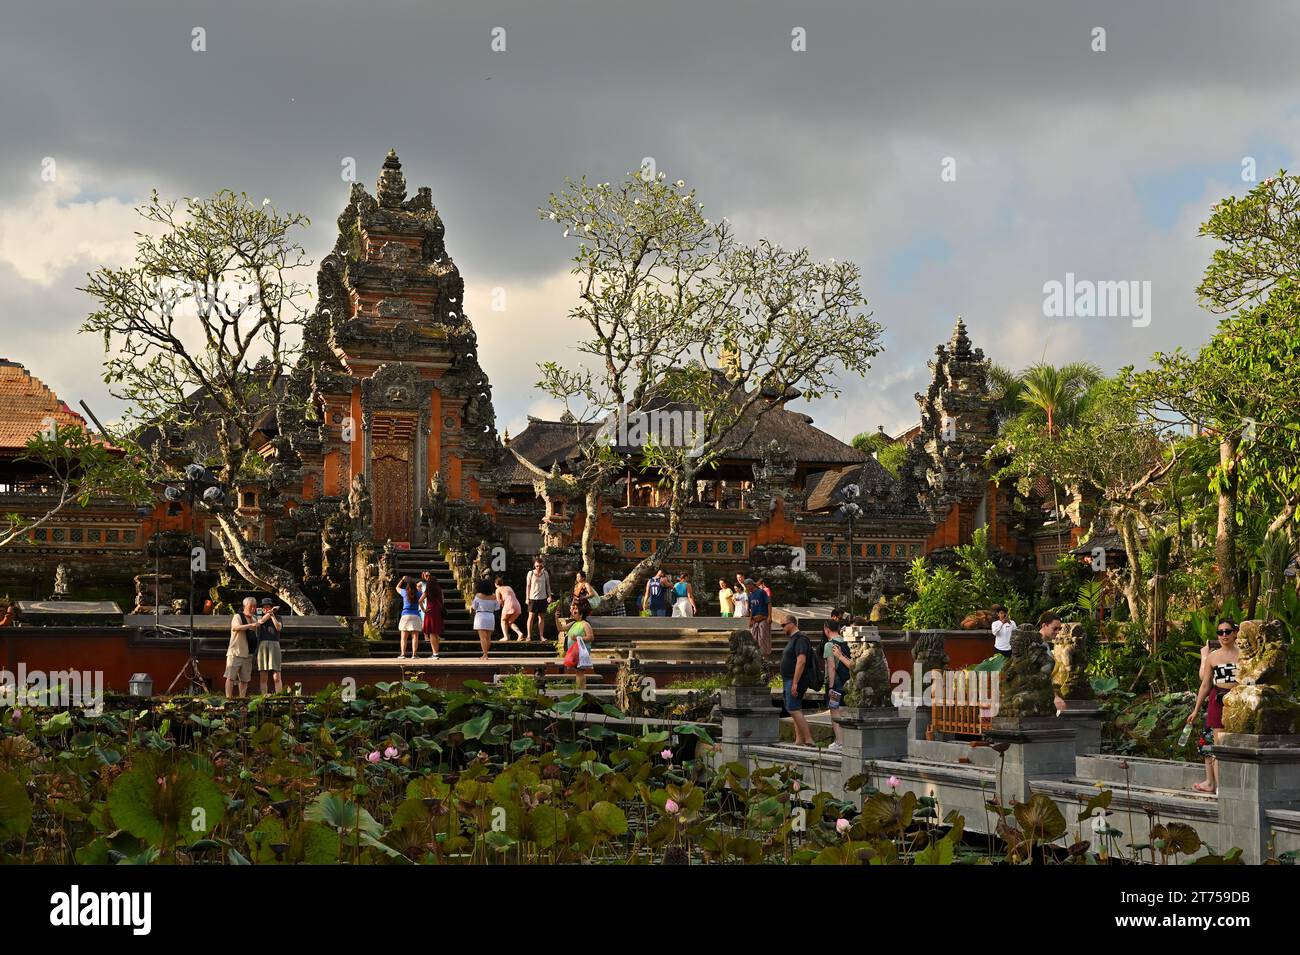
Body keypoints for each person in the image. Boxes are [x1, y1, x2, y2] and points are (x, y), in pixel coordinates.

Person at [1187, 620, 1240, 794]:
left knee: (1237, 742)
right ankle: (1220, 787)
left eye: (1227, 631)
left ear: (1235, 633)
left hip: (1238, 701)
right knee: (1218, 744)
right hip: (1217, 700)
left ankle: (1235, 785)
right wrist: (1196, 709)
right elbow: (1205, 684)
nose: (1224, 635)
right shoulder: (1213, 657)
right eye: (1220, 632)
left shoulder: (1244, 654)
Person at [778, 616, 814, 746]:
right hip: (789, 679)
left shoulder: (801, 639)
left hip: (795, 679)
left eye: (784, 625)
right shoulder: (794, 639)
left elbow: (801, 661)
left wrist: (795, 682)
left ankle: (809, 739)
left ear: (792, 624)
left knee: (793, 709)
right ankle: (799, 740)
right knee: (794, 708)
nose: (782, 628)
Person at [823, 619, 853, 750]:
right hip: (848, 682)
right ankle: (846, 739)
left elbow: (831, 666)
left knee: (834, 710)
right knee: (845, 710)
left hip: (835, 684)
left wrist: (830, 686)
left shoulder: (829, 645)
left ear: (827, 629)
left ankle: (840, 741)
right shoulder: (847, 642)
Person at [225, 597, 260, 699]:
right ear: (245, 606)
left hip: (248, 653)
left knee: (244, 679)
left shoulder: (254, 619)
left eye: (255, 606)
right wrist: (250, 625)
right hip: (236, 652)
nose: (253, 609)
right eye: (251, 606)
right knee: (230, 677)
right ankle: (228, 699)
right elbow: (235, 628)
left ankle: (242, 699)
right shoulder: (237, 616)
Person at [563, 598, 596, 689]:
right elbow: (560, 629)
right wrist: (555, 617)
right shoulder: (574, 623)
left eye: (576, 611)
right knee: (578, 672)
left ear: (581, 614)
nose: (573, 612)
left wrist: (578, 638)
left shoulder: (585, 624)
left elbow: (591, 637)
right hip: (574, 652)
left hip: (581, 652)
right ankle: (581, 689)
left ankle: (580, 689)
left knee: (580, 672)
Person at [1038, 611, 1066, 712]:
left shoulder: (1045, 645)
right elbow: (1040, 675)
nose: (1058, 632)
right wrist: (1054, 696)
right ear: (1044, 625)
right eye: (1055, 628)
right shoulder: (1037, 646)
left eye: (1059, 629)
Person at [256, 597, 283, 695]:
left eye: (268, 607)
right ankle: (264, 697)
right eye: (264, 607)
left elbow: (278, 628)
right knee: (263, 675)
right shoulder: (259, 615)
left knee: (277, 675)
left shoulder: (278, 617)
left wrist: (273, 616)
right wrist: (270, 612)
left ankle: (279, 697)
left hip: (274, 644)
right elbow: (260, 622)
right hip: (262, 644)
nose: (266, 609)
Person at [471, 582, 501, 660]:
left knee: (482, 638)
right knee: (488, 637)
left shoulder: (478, 595)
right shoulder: (494, 596)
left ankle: (485, 654)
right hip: (490, 616)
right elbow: (497, 608)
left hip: (480, 616)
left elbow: (474, 606)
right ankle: (486, 653)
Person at [525, 559, 552, 643]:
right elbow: (528, 586)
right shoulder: (531, 573)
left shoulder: (545, 573)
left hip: (542, 598)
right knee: (531, 617)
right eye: (537, 566)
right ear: (534, 565)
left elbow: (548, 585)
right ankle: (529, 636)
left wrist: (549, 596)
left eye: (540, 566)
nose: (538, 567)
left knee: (541, 617)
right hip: (532, 598)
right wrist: (527, 598)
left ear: (542, 565)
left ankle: (541, 636)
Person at [395, 576, 422, 659]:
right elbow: (423, 594)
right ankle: (414, 654)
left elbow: (397, 588)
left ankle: (403, 654)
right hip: (415, 615)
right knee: (415, 636)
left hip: (405, 615)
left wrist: (402, 580)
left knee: (403, 637)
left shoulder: (404, 592)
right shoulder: (418, 594)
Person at [420, 573, 445, 659]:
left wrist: (423, 610)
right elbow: (442, 601)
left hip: (430, 611)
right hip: (437, 611)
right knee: (436, 633)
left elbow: (420, 600)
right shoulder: (439, 590)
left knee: (431, 633)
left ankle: (435, 653)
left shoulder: (427, 591)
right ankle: (436, 652)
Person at [747, 578, 771, 659]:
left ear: (750, 585)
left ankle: (765, 659)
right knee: (754, 639)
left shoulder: (761, 592)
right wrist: (750, 620)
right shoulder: (750, 595)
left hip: (763, 618)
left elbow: (769, 603)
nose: (746, 588)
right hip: (755, 620)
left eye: (747, 586)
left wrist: (770, 616)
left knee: (763, 638)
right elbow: (751, 609)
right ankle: (756, 658)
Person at [495, 576, 524, 641]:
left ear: (495, 584)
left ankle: (506, 637)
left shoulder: (498, 589)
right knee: (510, 622)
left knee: (503, 621)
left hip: (508, 605)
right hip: (517, 605)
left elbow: (498, 601)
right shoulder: (509, 587)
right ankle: (519, 633)